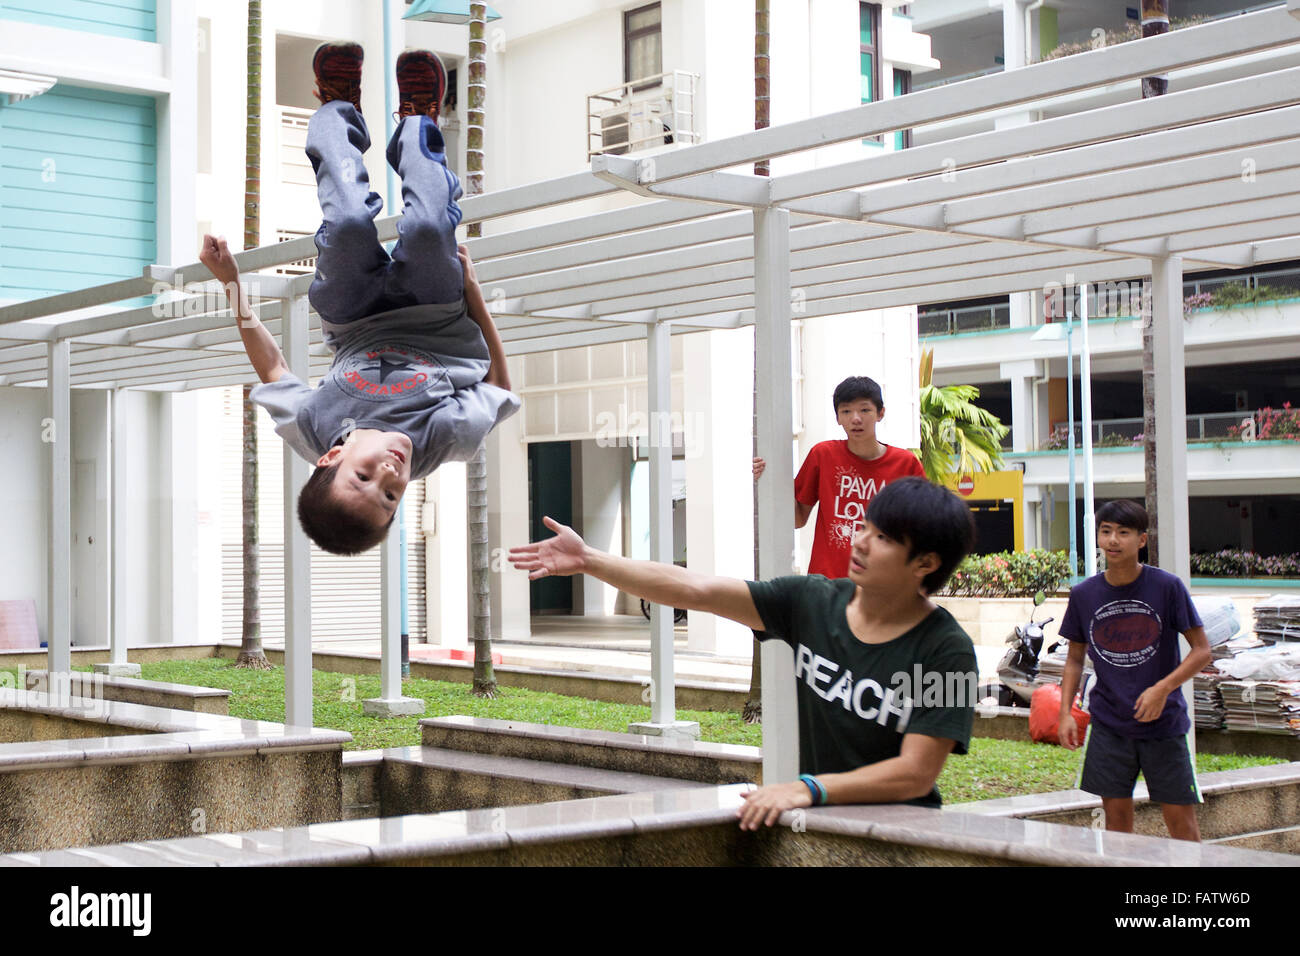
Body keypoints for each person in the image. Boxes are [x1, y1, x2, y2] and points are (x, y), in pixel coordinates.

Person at [508, 476, 978, 830]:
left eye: (883, 538)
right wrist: (590, 559)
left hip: (906, 833)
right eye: (865, 527)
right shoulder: (812, 602)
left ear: (926, 563)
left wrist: (808, 788)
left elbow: (916, 774)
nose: (859, 541)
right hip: (821, 823)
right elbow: (697, 589)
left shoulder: (949, 652)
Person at [199, 43, 518, 555]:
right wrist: (472, 294)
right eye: (391, 495)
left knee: (347, 223)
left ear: (329, 459)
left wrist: (230, 282)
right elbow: (500, 386)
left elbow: (275, 368)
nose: (389, 473)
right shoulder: (445, 441)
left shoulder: (313, 430)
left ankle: (337, 108)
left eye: (364, 475)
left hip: (354, 319)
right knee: (432, 226)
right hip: (437, 314)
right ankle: (417, 122)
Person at [1057, 499, 1212, 841]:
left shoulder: (1167, 587)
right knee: (1116, 828)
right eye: (1106, 531)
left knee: (1182, 826)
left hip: (1165, 725)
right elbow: (1074, 659)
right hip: (1109, 725)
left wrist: (1163, 689)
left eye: (1123, 533)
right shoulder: (1084, 594)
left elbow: (1202, 651)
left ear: (1141, 540)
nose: (1113, 540)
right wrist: (1065, 712)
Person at [753, 375, 925, 578]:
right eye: (846, 411)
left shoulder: (906, 464)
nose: (856, 418)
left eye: (865, 410)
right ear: (837, 417)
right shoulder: (823, 455)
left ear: (880, 413)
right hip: (827, 586)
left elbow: (922, 528)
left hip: (883, 586)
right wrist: (769, 477)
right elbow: (797, 518)